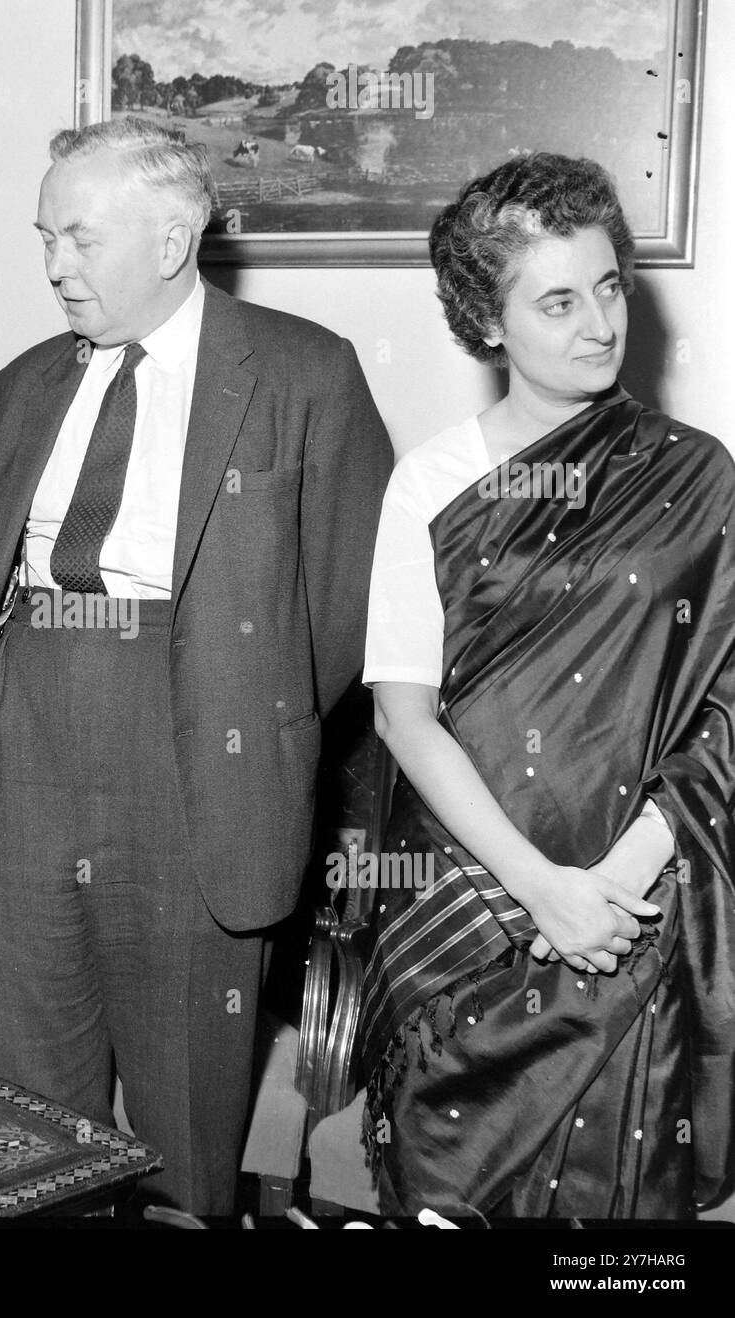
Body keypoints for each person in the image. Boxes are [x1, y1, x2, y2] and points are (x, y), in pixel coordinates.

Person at [0, 116, 393, 1216]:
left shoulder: (302, 372)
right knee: (25, 1103)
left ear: (174, 237)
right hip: (27, 738)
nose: (53, 266)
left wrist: (241, 717)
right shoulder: (20, 385)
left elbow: (345, 604)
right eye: (44, 237)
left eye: (79, 239)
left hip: (200, 758)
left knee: (187, 1104)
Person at [357, 152, 735, 1219]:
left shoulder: (700, 476)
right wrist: (540, 886)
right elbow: (401, 713)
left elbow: (729, 703)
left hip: (636, 908)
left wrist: (613, 880)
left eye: (609, 286)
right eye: (558, 299)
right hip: (471, 907)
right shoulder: (430, 482)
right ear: (486, 320)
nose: (599, 322)